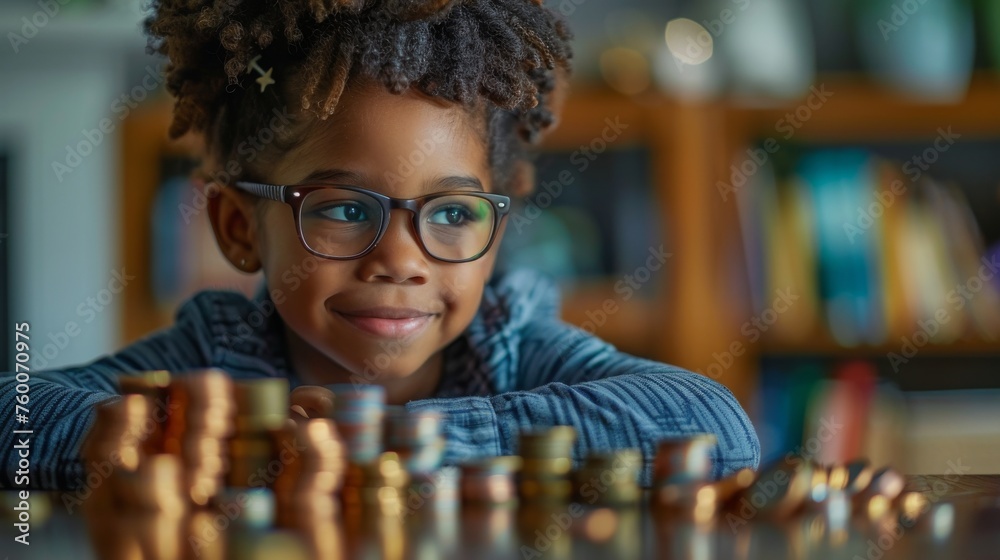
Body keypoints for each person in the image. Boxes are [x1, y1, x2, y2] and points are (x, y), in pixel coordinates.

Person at [1, 0, 759, 490]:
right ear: (239, 228)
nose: (401, 259)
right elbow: (18, 412)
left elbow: (713, 425)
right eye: (342, 209)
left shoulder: (512, 347)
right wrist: (142, 443)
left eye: (454, 215)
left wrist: (385, 446)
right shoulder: (216, 364)